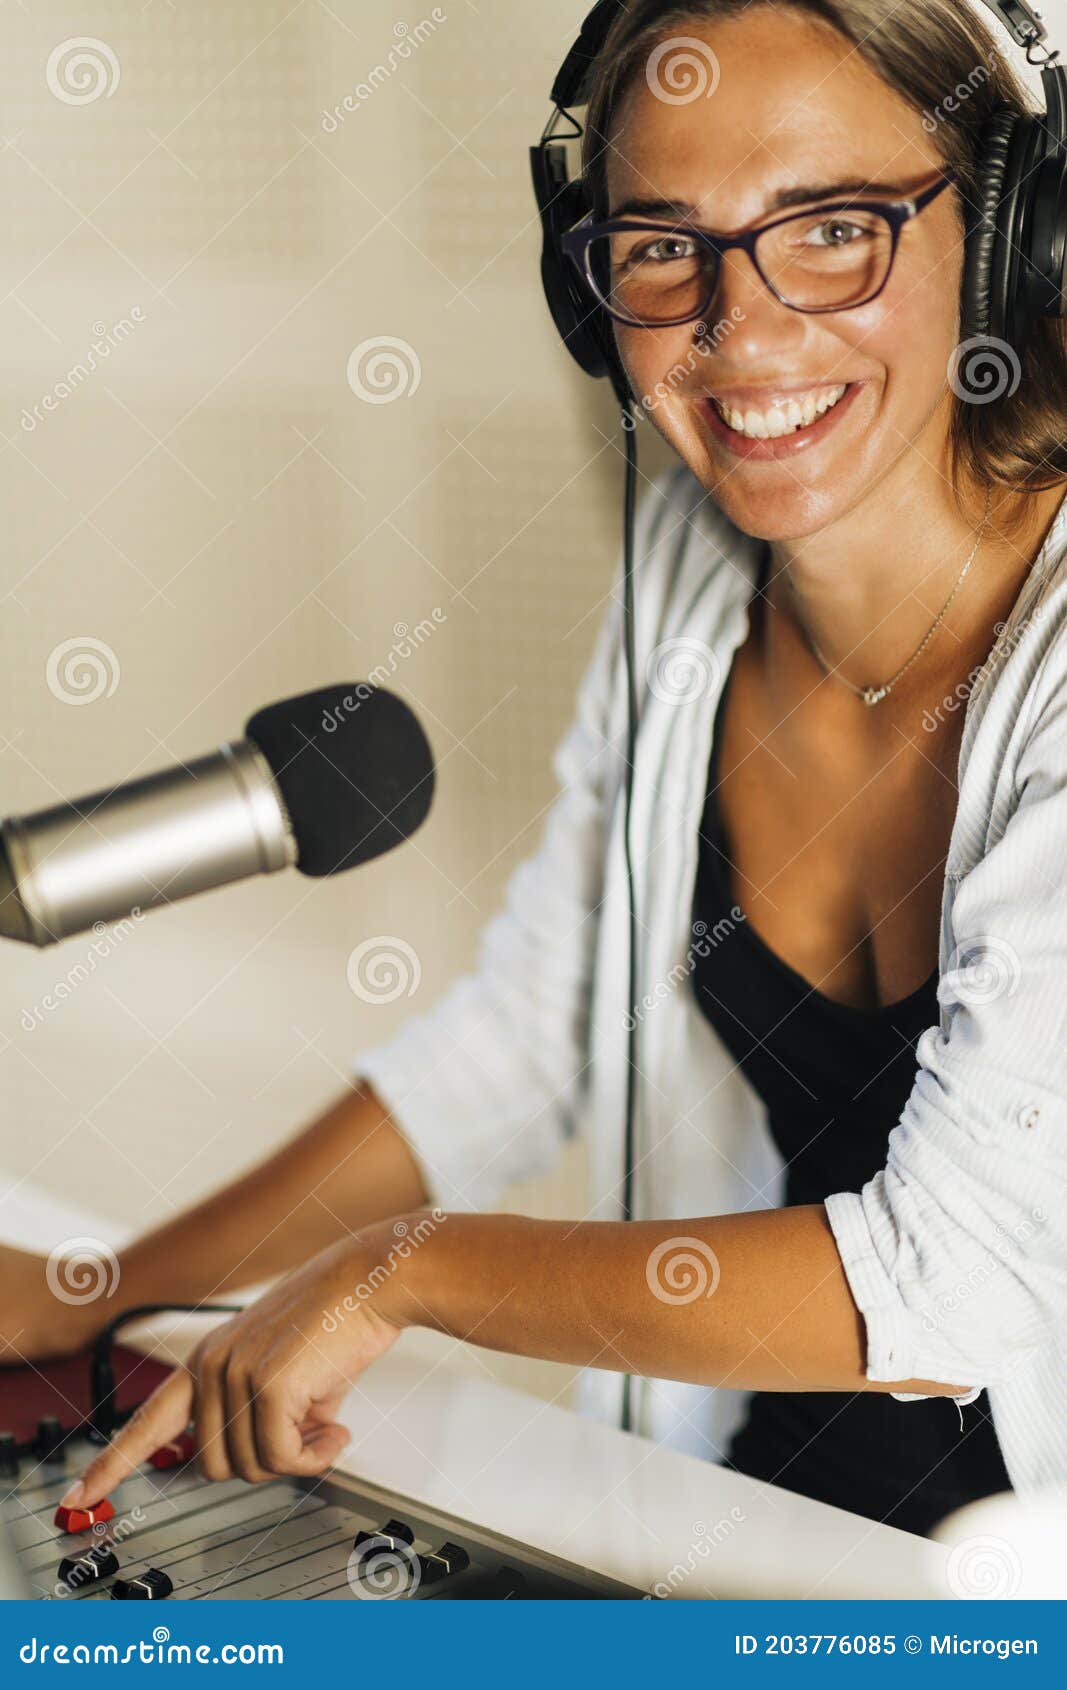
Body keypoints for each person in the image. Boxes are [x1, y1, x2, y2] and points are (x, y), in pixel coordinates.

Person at [8, 0, 1067, 1538]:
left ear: (1011, 236)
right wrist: (99, 1288)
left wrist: (410, 1269)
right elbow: (526, 1037)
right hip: (747, 1526)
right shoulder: (694, 559)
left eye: (834, 228)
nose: (740, 329)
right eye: (662, 247)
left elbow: (954, 1278)